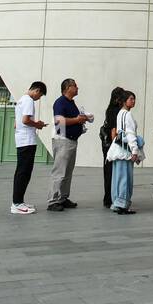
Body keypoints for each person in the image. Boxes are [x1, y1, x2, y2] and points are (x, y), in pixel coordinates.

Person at [48, 78, 92, 212]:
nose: (77, 88)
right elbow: (59, 121)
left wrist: (82, 119)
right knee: (60, 171)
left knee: (67, 171)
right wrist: (77, 120)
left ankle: (63, 197)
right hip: (63, 140)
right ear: (68, 88)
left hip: (71, 140)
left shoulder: (71, 102)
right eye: (75, 86)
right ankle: (53, 200)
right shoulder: (60, 102)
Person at [11, 82, 47, 215]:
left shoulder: (20, 100)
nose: (39, 98)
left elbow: (17, 123)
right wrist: (37, 124)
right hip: (27, 141)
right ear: (36, 90)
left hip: (21, 140)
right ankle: (17, 203)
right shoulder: (28, 101)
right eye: (40, 95)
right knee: (24, 172)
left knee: (21, 171)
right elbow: (25, 120)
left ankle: (19, 200)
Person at [107, 90, 142, 213]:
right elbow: (130, 134)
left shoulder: (120, 113)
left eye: (134, 99)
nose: (133, 101)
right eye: (131, 99)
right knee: (125, 178)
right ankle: (122, 205)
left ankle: (117, 203)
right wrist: (134, 151)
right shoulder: (127, 115)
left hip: (117, 149)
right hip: (125, 150)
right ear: (124, 101)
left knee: (117, 177)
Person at [100, 87, 124, 207]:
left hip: (107, 144)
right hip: (111, 144)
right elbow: (113, 131)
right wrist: (116, 145)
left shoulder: (110, 110)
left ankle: (108, 198)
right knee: (111, 171)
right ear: (118, 98)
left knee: (108, 171)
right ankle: (110, 198)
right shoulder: (116, 111)